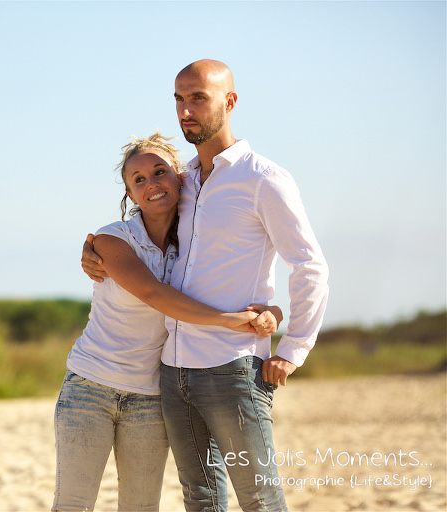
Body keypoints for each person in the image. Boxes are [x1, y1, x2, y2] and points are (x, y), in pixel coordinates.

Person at [81, 60, 330, 512]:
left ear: (229, 102)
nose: (185, 109)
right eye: (178, 98)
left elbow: (309, 265)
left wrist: (293, 350)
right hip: (173, 373)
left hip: (232, 368)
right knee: (200, 498)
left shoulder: (263, 179)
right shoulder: (184, 181)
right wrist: (93, 248)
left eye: (198, 97)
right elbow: (143, 227)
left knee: (260, 497)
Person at [53, 132, 283, 512]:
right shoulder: (112, 239)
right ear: (129, 195)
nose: (151, 184)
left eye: (159, 172)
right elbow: (154, 294)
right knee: (72, 505)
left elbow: (234, 281)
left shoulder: (193, 247)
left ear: (180, 178)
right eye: (138, 180)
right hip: (89, 389)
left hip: (150, 398)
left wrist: (272, 312)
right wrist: (228, 321)